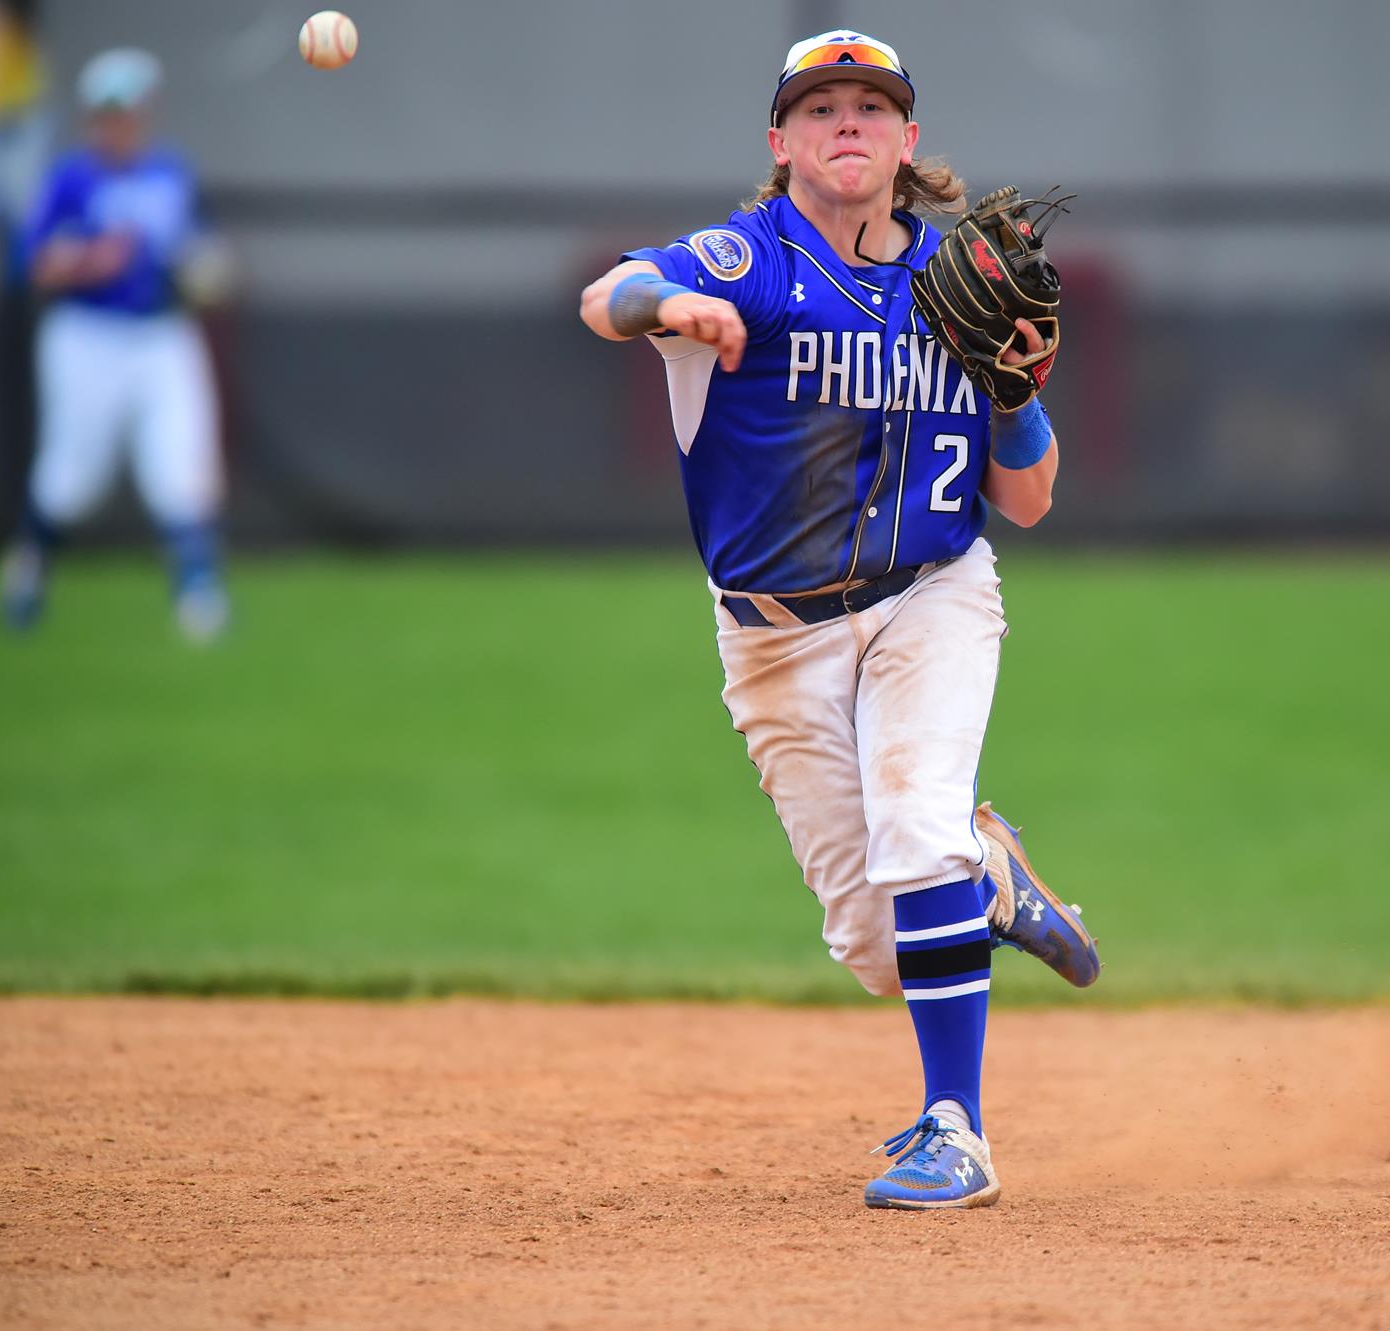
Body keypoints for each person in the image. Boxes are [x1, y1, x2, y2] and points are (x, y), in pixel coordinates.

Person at [580, 30, 1101, 1211]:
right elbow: (604, 296)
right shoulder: (746, 260)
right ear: (781, 145)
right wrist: (673, 303)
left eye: (872, 105)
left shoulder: (959, 286)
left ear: (907, 141)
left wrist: (1012, 393)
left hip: (932, 596)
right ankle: (994, 876)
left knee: (915, 833)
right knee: (880, 949)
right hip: (774, 637)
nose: (847, 123)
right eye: (820, 108)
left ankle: (953, 1129)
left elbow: (1026, 500)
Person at [0, 47, 230, 642]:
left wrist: (207, 271)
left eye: (128, 110)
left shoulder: (170, 172)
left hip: (160, 334)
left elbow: (194, 252)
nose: (120, 123)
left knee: (183, 465)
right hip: (88, 337)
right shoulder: (72, 180)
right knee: (73, 479)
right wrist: (85, 261)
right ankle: (29, 571)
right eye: (109, 112)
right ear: (92, 118)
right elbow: (31, 264)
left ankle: (198, 597)